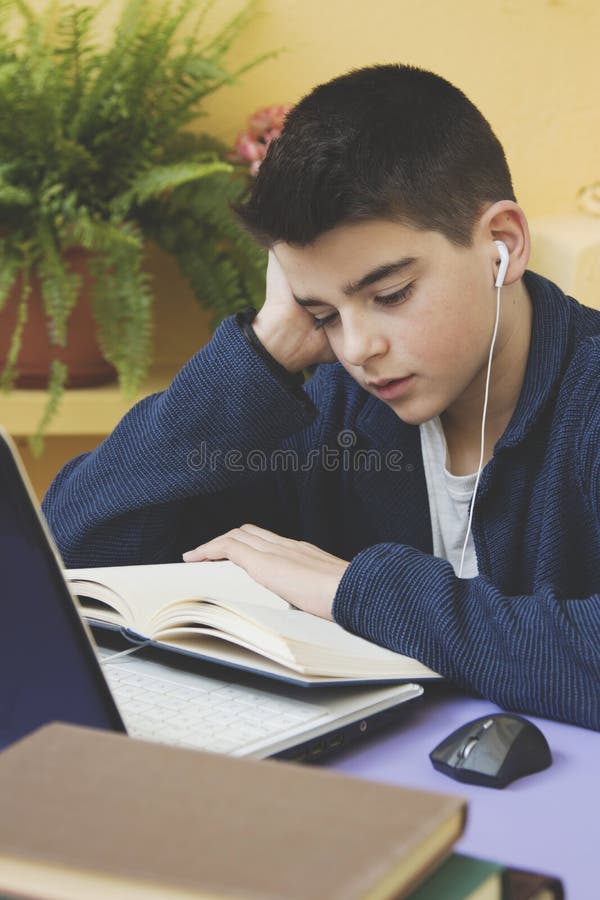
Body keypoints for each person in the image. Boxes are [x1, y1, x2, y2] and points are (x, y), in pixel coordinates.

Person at [42, 64, 600, 730]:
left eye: (389, 295)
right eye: (323, 313)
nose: (357, 347)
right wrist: (266, 346)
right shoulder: (335, 414)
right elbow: (73, 553)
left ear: (502, 245)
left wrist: (350, 591)